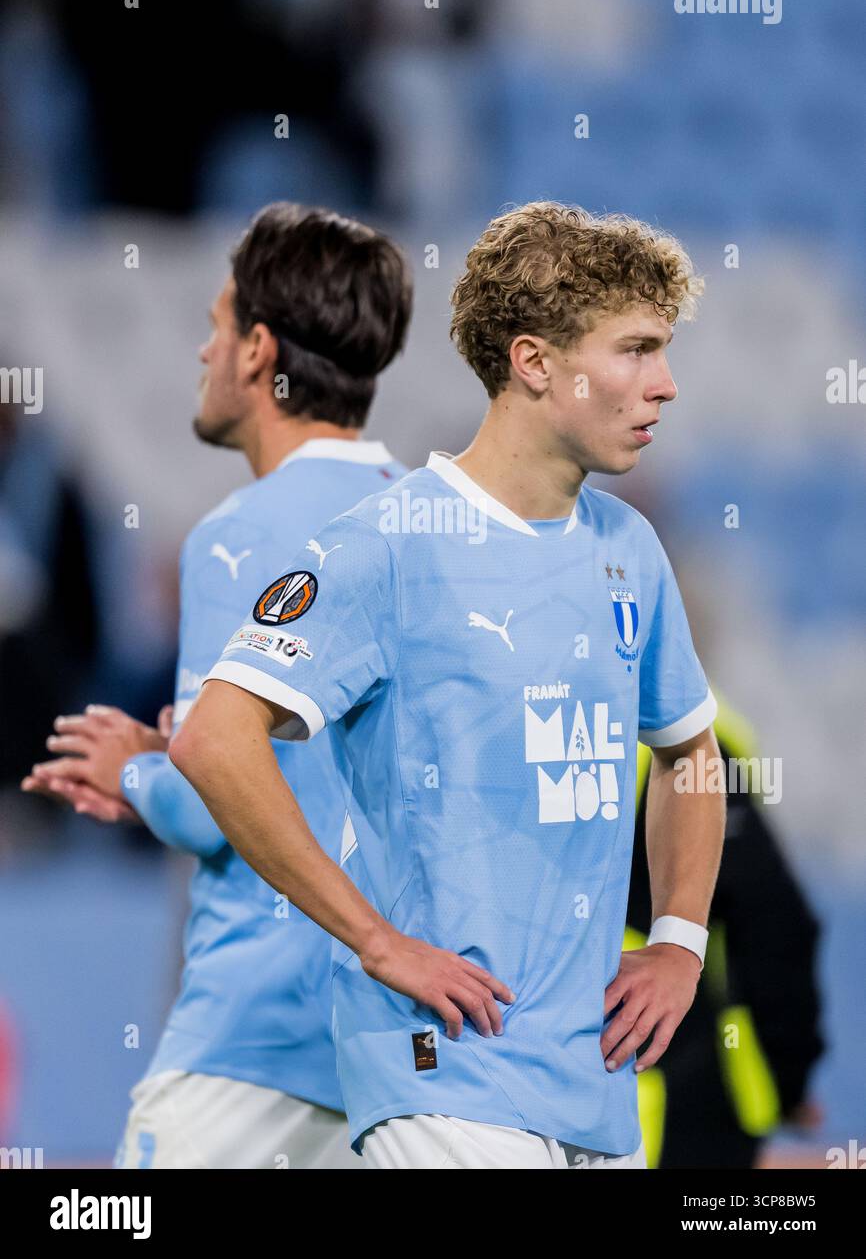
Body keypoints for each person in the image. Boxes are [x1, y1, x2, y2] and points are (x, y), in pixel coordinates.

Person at [171, 200, 725, 1170]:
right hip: (438, 1072)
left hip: (592, 1083)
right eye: (634, 350)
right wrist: (376, 941)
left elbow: (687, 751)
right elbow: (216, 738)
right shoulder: (388, 540)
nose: (664, 385)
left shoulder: (628, 552)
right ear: (533, 360)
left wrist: (677, 939)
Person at [21, 202, 411, 1168]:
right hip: (395, 1053)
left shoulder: (240, 535)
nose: (202, 350)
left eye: (217, 325)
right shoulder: (433, 523)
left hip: (254, 1038)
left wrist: (139, 775)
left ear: (258, 352)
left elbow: (210, 803)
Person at [627, 693, 824, 1168]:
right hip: (667, 1086)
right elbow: (774, 924)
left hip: (497, 1071)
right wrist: (789, 1074)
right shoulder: (690, 731)